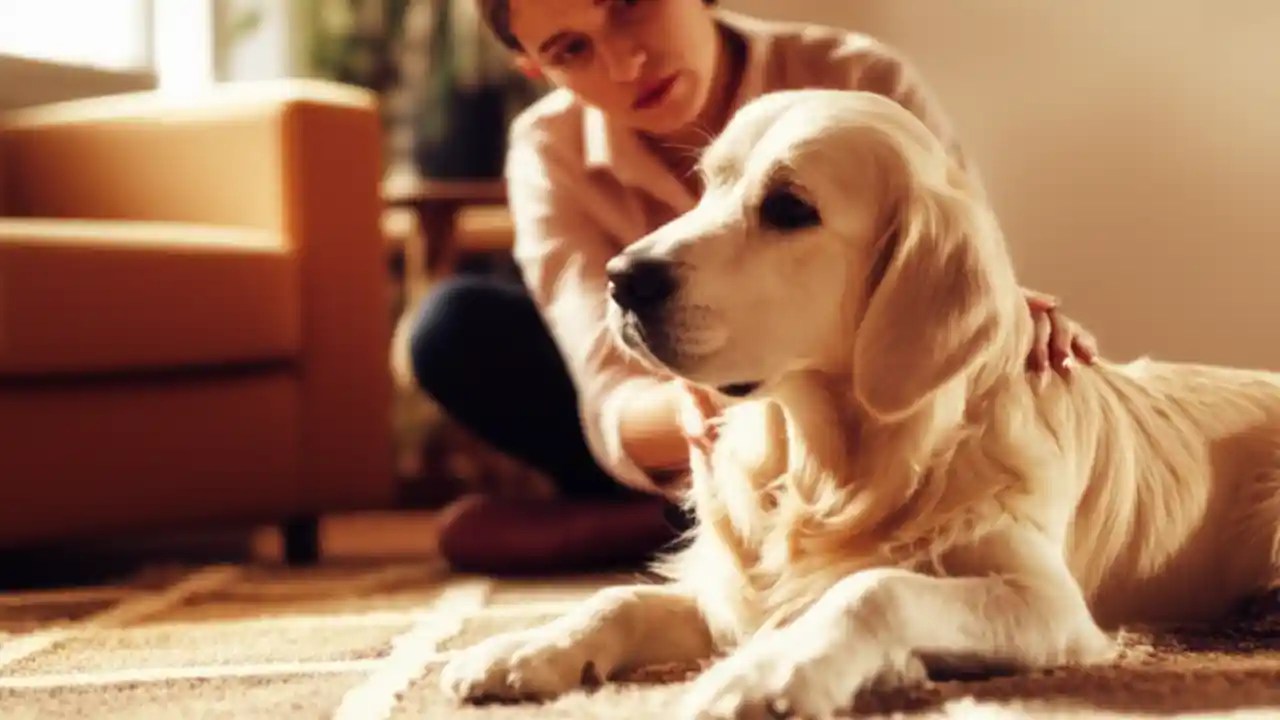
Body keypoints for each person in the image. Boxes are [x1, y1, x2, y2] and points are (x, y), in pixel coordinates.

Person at [410, 0, 1098, 574]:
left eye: (628, 4)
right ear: (534, 69)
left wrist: (999, 316)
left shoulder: (857, 76)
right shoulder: (545, 149)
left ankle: (672, 528)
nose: (624, 63)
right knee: (451, 327)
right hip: (675, 428)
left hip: (852, 414)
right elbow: (610, 399)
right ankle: (695, 512)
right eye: (570, 50)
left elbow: (942, 275)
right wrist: (710, 394)